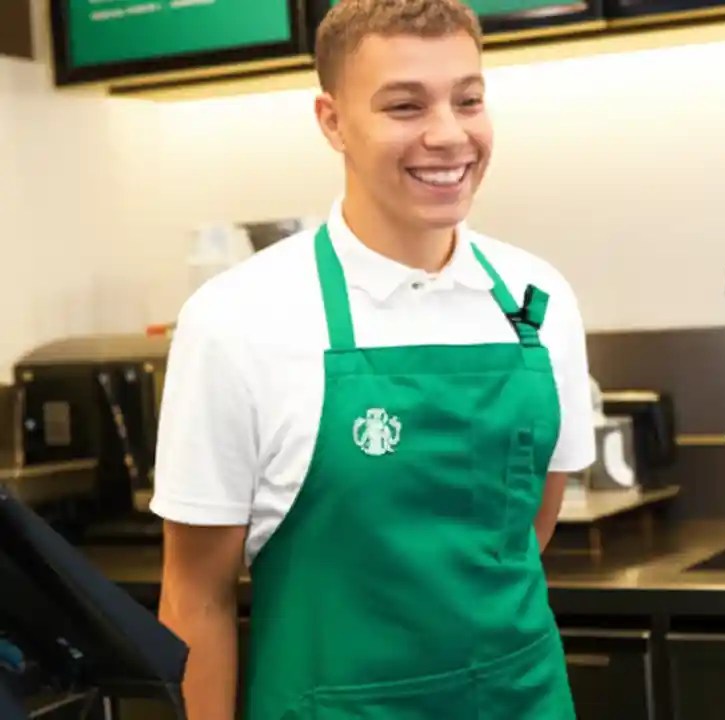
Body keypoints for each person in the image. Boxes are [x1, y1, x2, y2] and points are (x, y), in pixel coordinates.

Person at [149, 1, 595, 718]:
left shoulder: (540, 300)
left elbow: (526, 533)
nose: (449, 135)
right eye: (404, 105)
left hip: (522, 700)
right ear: (332, 120)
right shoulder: (237, 320)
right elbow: (195, 598)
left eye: (469, 99)